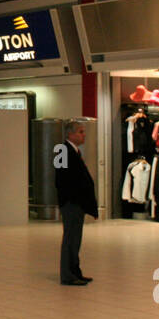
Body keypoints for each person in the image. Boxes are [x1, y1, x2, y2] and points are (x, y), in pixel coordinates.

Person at [54, 119, 97, 286]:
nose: (83, 135)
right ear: (70, 134)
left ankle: (75, 271)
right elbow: (61, 179)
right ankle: (68, 274)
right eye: (80, 132)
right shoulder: (62, 151)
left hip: (77, 203)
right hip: (71, 203)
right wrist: (71, 199)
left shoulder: (75, 151)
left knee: (75, 238)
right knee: (70, 238)